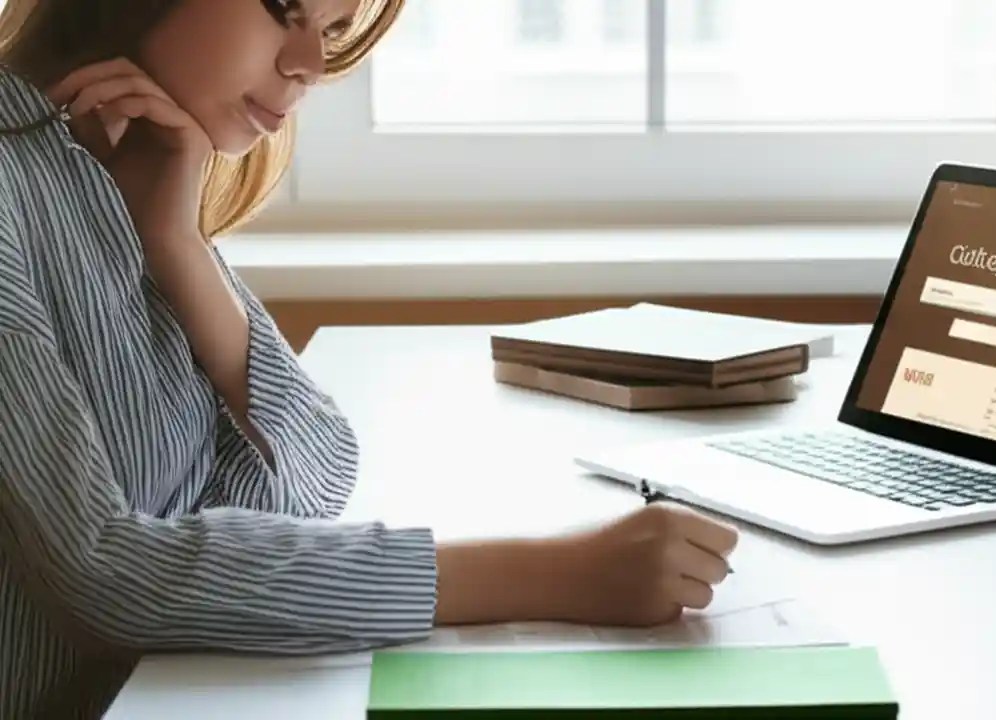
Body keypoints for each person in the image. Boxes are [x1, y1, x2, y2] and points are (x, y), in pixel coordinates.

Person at [0, 0, 740, 717]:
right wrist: (555, 575)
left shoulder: (123, 161)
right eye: (285, 7)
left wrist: (179, 247)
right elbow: (103, 571)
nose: (309, 65)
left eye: (333, 29)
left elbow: (317, 475)